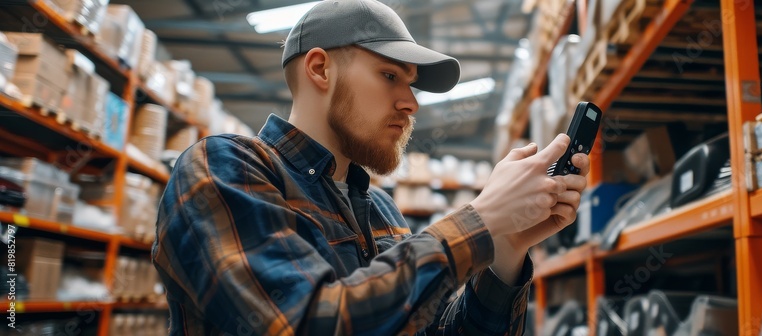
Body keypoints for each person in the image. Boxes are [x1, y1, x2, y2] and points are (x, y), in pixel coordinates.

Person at [152, 0, 591, 334]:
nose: (411, 103)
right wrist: (480, 219)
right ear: (320, 69)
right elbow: (304, 322)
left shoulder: (381, 211)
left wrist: (506, 248)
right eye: (389, 76)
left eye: (411, 84)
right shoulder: (223, 169)